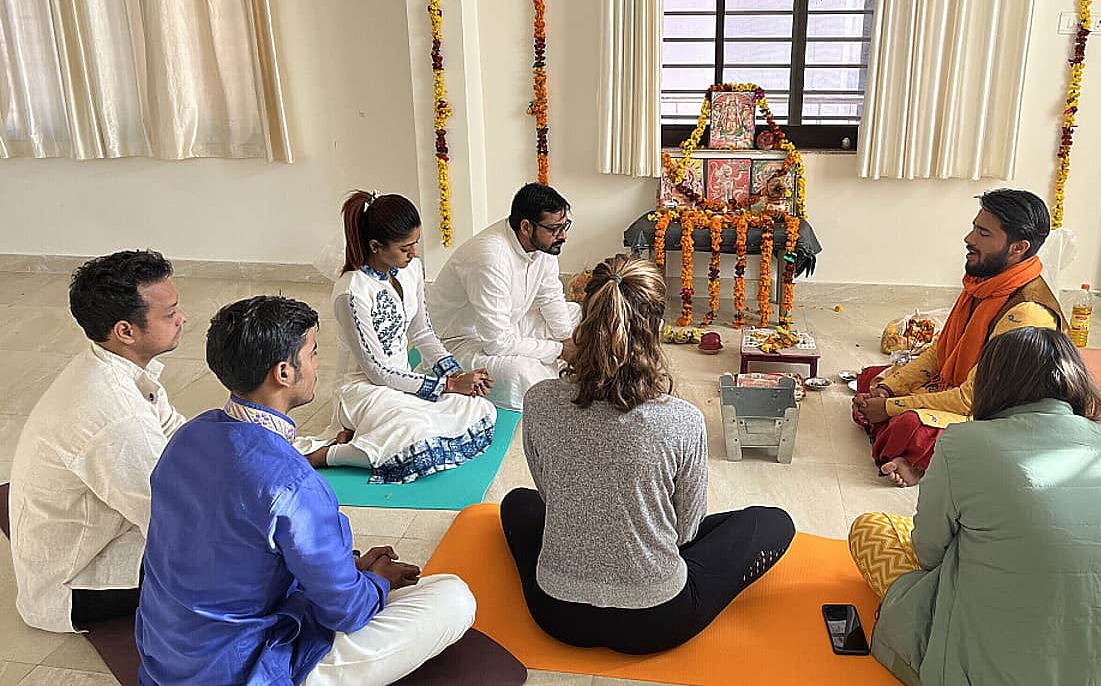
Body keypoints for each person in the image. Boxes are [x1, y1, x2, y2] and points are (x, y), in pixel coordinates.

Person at [136, 296, 475, 686]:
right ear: (283, 372)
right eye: (313, 354)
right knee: (452, 596)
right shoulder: (292, 484)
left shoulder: (187, 437)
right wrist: (375, 582)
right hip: (240, 671)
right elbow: (345, 612)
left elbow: (233, 548)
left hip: (166, 659)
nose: (317, 365)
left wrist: (347, 567)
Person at [847, 327, 1101, 686]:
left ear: (992, 383)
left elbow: (929, 553)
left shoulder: (963, 443)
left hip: (987, 671)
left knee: (872, 528)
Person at [499, 254, 794, 654]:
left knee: (518, 503)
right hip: (656, 620)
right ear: (657, 328)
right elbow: (686, 533)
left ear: (585, 319)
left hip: (556, 613)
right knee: (772, 522)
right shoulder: (683, 420)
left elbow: (551, 498)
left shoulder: (538, 401)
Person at [9, 250, 187, 632]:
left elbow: (175, 431)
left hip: (99, 535)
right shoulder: (118, 418)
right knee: (234, 566)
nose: (182, 318)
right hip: (71, 587)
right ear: (125, 331)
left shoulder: (113, 365)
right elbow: (173, 522)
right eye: (170, 313)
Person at [852, 189, 1065, 486]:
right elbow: (941, 352)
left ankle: (919, 462)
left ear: (1018, 247)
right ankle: (905, 447)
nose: (969, 239)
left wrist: (888, 408)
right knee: (872, 378)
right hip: (961, 389)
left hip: (998, 416)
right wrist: (888, 390)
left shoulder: (1028, 313)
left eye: (983, 233)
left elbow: (972, 399)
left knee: (910, 426)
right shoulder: (985, 282)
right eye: (974, 227)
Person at [299, 190, 497, 483]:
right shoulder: (351, 292)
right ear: (376, 246)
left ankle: (365, 434)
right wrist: (450, 385)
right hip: (364, 389)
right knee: (416, 437)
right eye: (406, 247)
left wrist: (459, 376)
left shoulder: (411, 270)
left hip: (402, 382)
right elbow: (377, 372)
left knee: (480, 410)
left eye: (415, 244)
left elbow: (423, 332)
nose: (413, 253)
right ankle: (327, 454)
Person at [428, 182, 582, 410]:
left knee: (574, 313)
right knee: (521, 373)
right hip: (461, 343)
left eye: (564, 226)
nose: (564, 236)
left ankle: (556, 366)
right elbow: (497, 344)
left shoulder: (544, 245)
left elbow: (549, 296)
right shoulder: (490, 258)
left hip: (507, 325)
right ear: (526, 227)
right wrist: (560, 350)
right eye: (554, 229)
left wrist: (567, 341)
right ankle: (552, 375)